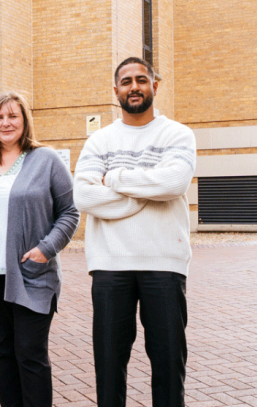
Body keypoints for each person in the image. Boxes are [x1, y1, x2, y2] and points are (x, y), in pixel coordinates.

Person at [73, 57, 196, 407]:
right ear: (116, 91)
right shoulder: (100, 139)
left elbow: (174, 182)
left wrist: (115, 179)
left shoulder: (176, 134)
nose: (134, 87)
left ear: (155, 86)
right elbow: (83, 195)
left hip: (165, 263)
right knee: (109, 366)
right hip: (110, 264)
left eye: (142, 80)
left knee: (169, 362)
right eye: (126, 81)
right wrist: (144, 196)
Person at [0, 92, 79, 407]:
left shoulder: (46, 160)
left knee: (30, 354)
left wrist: (45, 249)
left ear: (25, 120)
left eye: (13, 116)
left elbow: (70, 212)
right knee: (2, 355)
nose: (6, 123)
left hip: (32, 275)